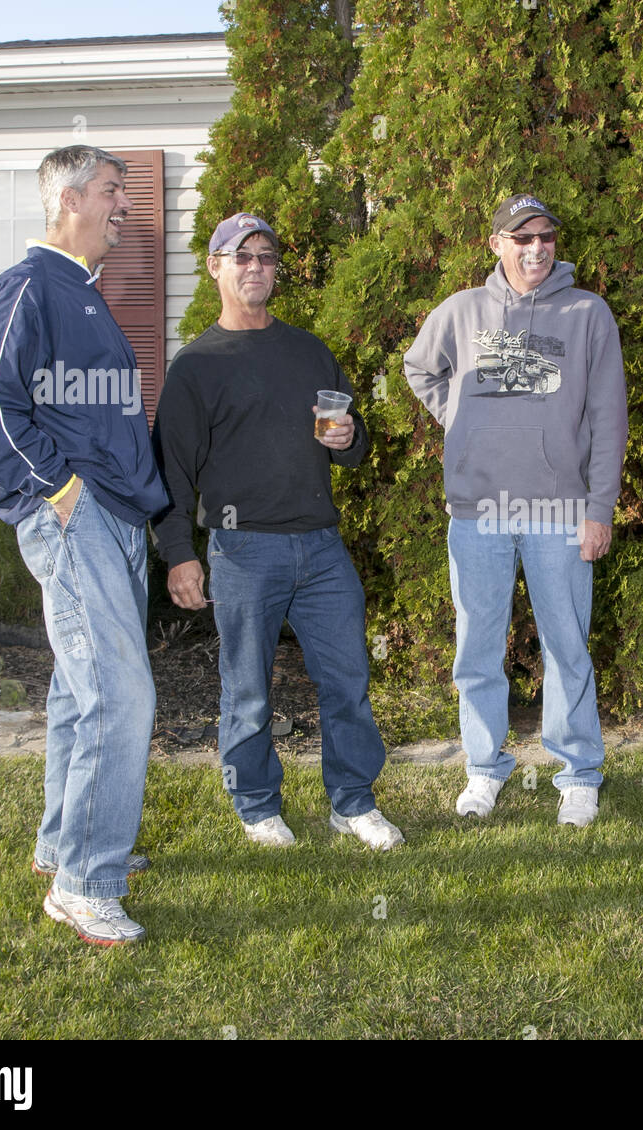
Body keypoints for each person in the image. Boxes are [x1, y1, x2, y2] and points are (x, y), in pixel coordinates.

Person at [0, 145, 167, 946]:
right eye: (114, 192)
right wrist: (59, 487)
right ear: (69, 198)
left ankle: (62, 843)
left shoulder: (84, 293)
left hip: (112, 514)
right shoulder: (29, 285)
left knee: (82, 693)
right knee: (123, 692)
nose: (124, 207)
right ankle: (86, 882)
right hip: (75, 514)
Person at [152, 213, 402, 851]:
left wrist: (350, 438)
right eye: (242, 256)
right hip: (242, 549)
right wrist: (179, 554)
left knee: (347, 680)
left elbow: (351, 444)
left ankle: (352, 802)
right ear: (215, 268)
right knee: (247, 689)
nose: (256, 267)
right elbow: (172, 474)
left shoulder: (307, 350)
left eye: (265, 256)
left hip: (320, 546)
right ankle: (258, 805)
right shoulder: (195, 368)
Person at [403, 193, 628, 827]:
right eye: (521, 237)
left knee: (567, 646)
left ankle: (578, 771)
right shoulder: (463, 311)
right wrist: (461, 421)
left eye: (546, 237)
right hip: (478, 510)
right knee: (476, 645)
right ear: (496, 245)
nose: (536, 249)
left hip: (560, 510)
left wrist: (599, 508)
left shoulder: (588, 314)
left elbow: (609, 419)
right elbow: (420, 369)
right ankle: (483, 767)